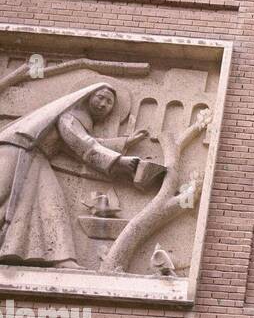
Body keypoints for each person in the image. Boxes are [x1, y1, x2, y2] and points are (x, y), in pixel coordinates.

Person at [0, 85, 164, 268]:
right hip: (15, 152)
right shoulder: (70, 115)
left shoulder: (77, 121)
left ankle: (61, 259)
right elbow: (84, 146)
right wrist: (120, 162)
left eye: (109, 102)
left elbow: (86, 145)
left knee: (51, 204)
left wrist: (125, 143)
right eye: (100, 97)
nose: (103, 104)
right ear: (87, 97)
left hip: (35, 158)